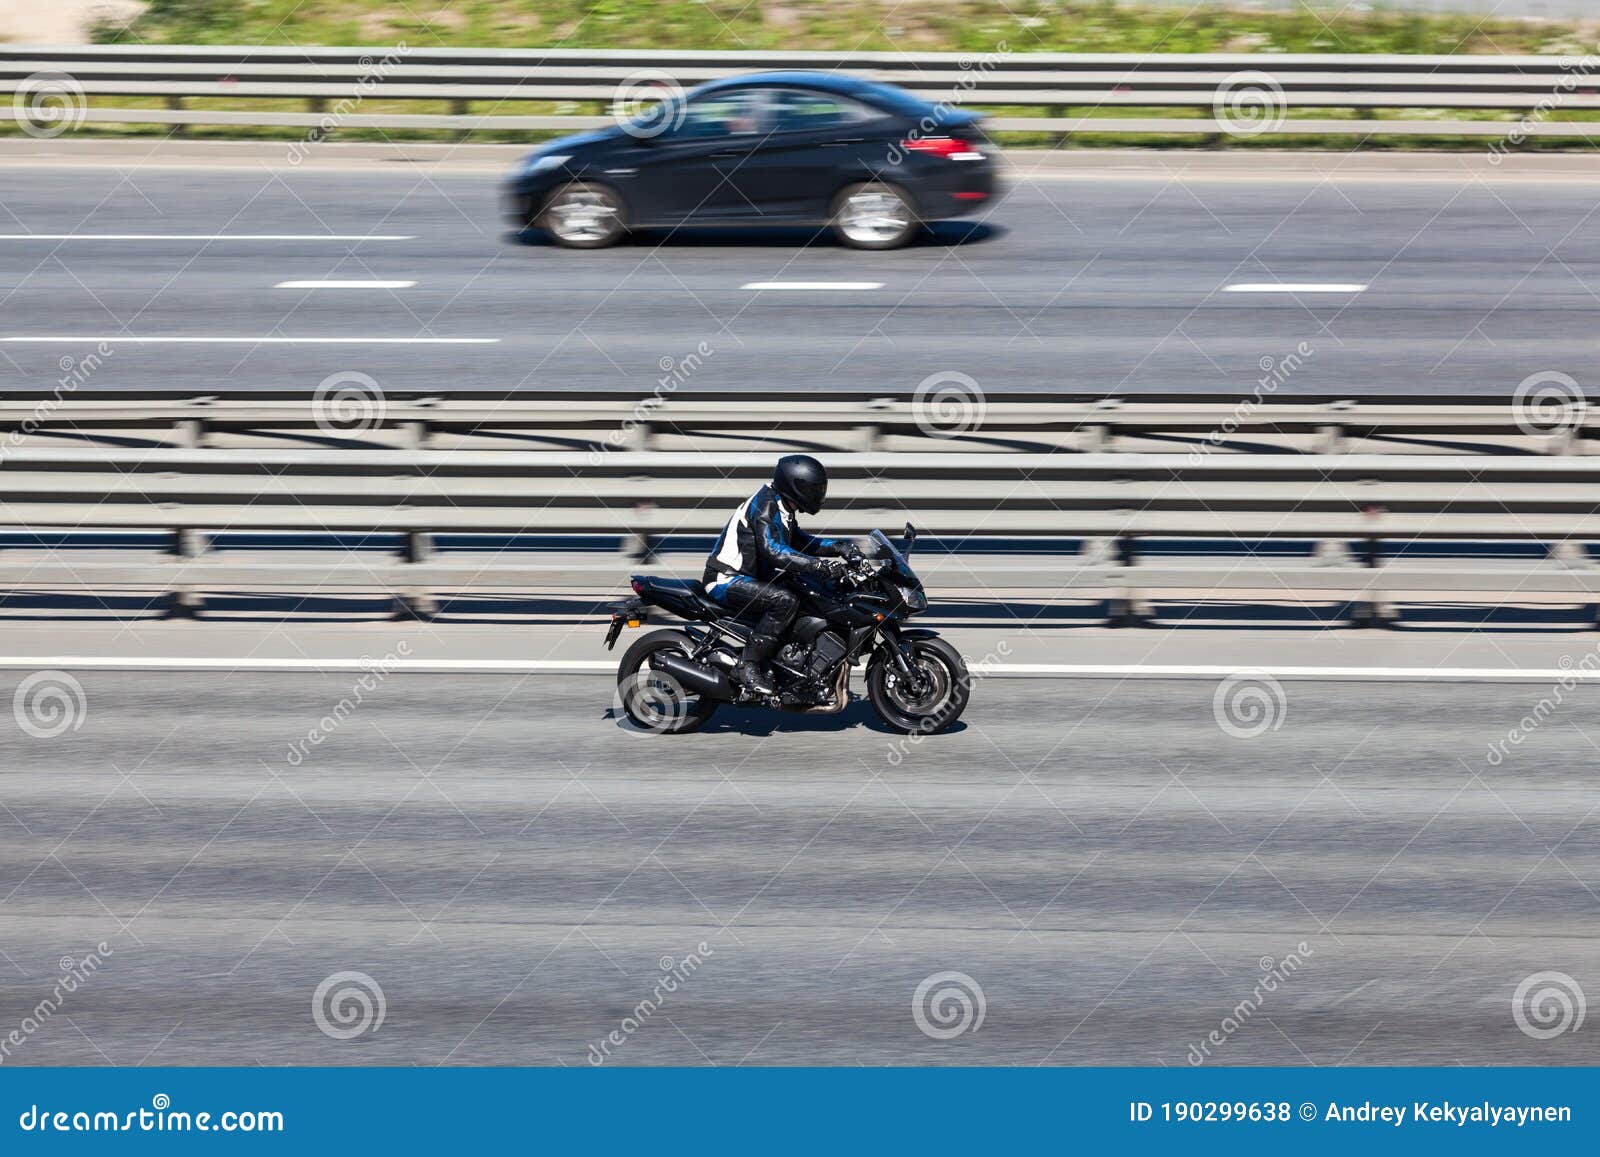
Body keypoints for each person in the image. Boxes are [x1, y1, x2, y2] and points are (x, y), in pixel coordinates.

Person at [702, 454, 861, 696]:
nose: (817, 493)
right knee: (785, 600)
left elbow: (802, 542)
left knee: (808, 589)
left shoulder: (782, 506)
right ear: (795, 486)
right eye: (812, 488)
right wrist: (820, 566)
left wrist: (839, 547)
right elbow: (773, 551)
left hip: (750, 579)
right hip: (727, 579)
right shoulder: (765, 505)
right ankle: (748, 666)